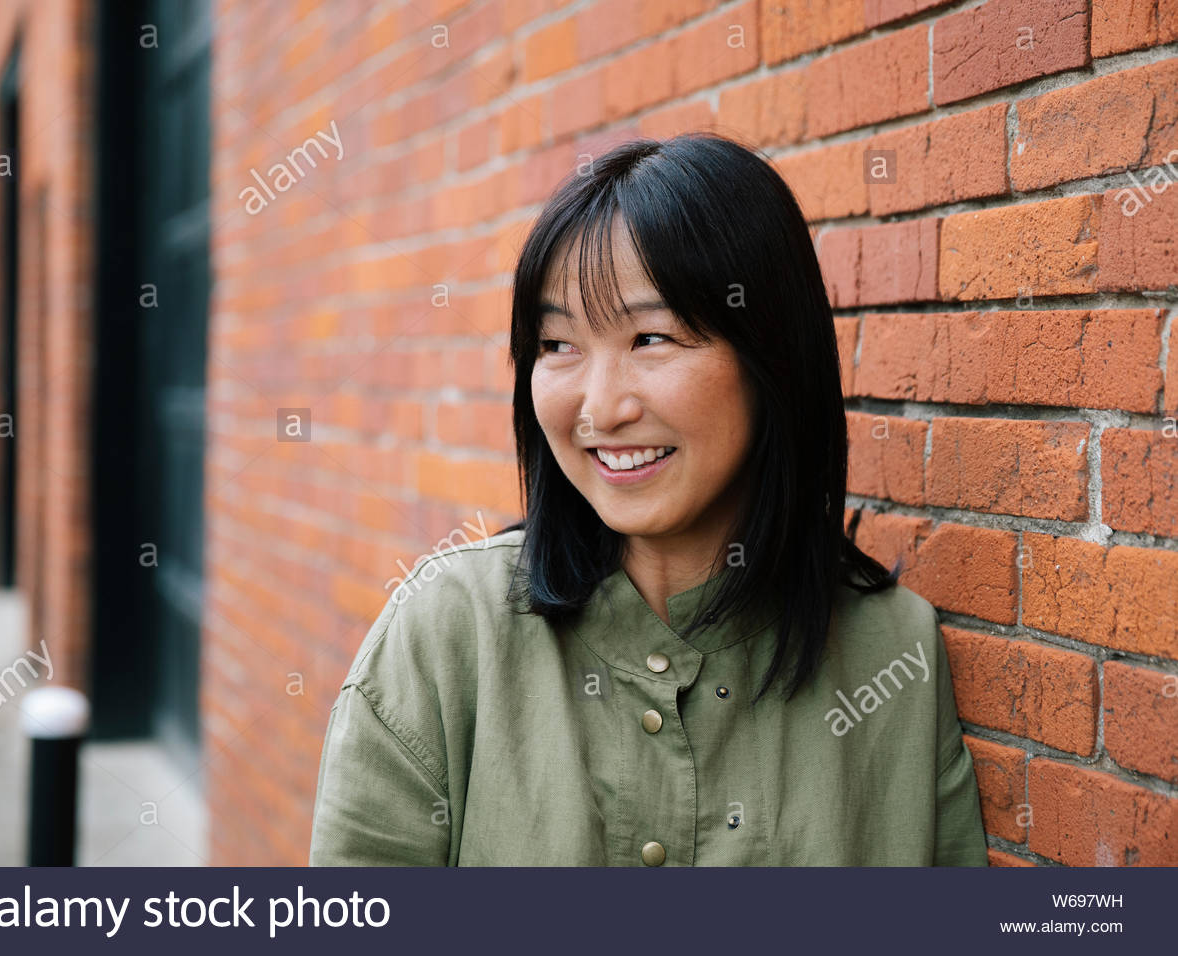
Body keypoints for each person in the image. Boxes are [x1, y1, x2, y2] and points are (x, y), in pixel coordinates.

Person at [309, 133, 989, 866]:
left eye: (652, 337)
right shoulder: (448, 635)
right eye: (558, 345)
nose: (599, 408)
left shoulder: (893, 657)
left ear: (772, 360)